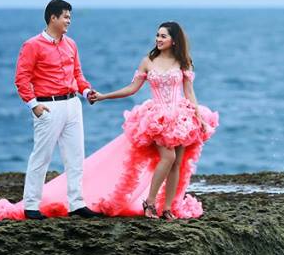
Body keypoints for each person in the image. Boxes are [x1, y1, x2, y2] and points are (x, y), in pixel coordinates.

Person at [91, 21, 218, 220]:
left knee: (177, 163)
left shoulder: (184, 61)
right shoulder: (148, 61)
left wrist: (198, 117)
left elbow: (189, 92)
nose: (158, 39)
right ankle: (149, 202)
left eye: (163, 36)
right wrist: (104, 96)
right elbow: (132, 88)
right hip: (158, 117)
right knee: (168, 158)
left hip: (181, 116)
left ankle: (167, 207)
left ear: (174, 41)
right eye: (157, 35)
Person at [13, 0, 101, 219]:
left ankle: (76, 204)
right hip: (48, 107)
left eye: (70, 17)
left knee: (76, 156)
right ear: (53, 18)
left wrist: (86, 91)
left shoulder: (71, 44)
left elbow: (78, 74)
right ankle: (31, 205)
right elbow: (22, 78)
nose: (69, 21)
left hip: (73, 104)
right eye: (66, 17)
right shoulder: (32, 45)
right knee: (41, 157)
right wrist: (34, 106)